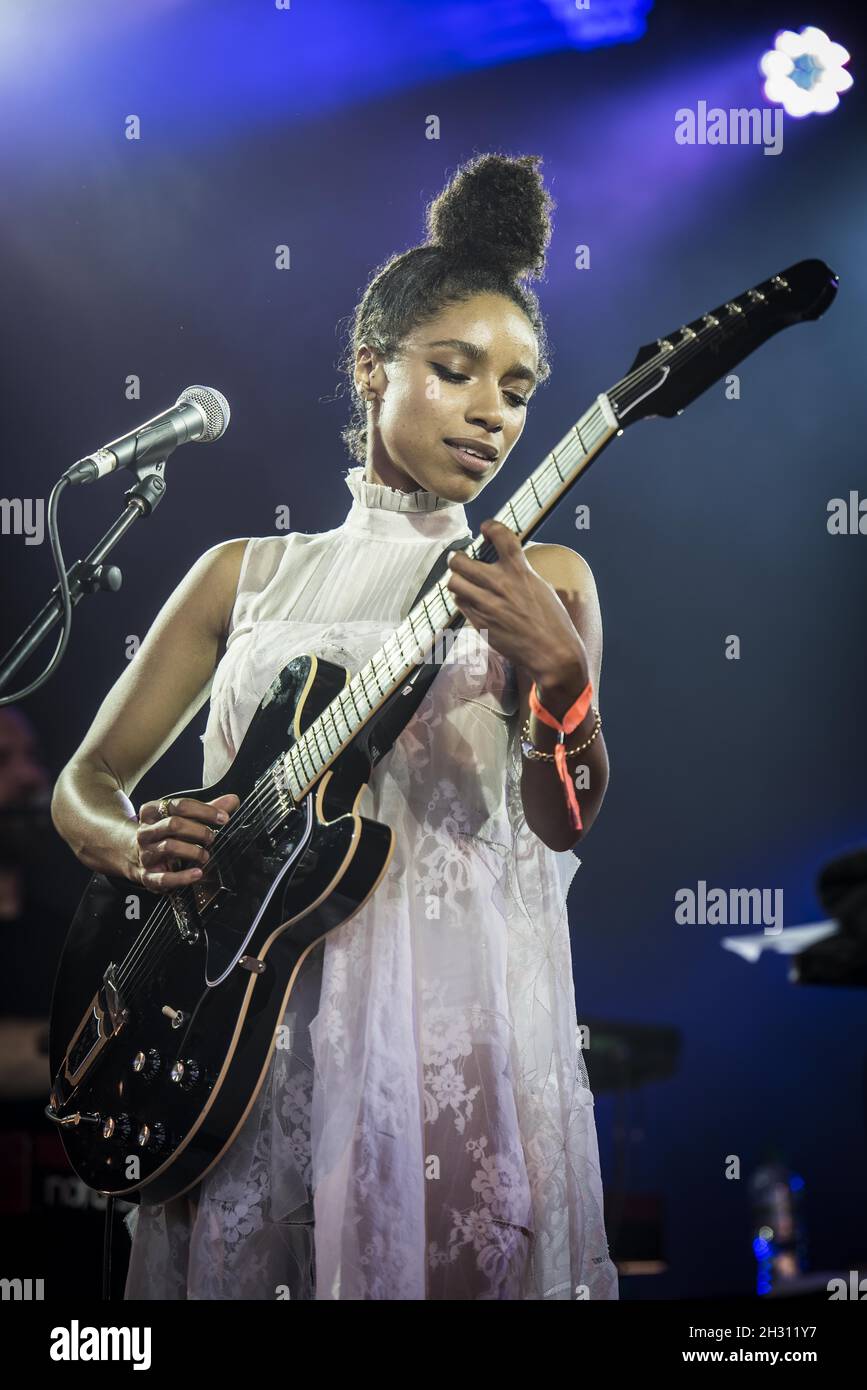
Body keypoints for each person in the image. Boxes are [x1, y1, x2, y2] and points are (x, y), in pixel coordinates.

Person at [50, 152, 619, 1300]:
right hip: (238, 1031)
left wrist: (560, 679)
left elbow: (565, 821)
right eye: (456, 371)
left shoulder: (542, 571)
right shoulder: (242, 573)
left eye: (517, 389)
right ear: (372, 369)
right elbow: (88, 779)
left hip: (447, 1031)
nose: (491, 412)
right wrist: (132, 844)